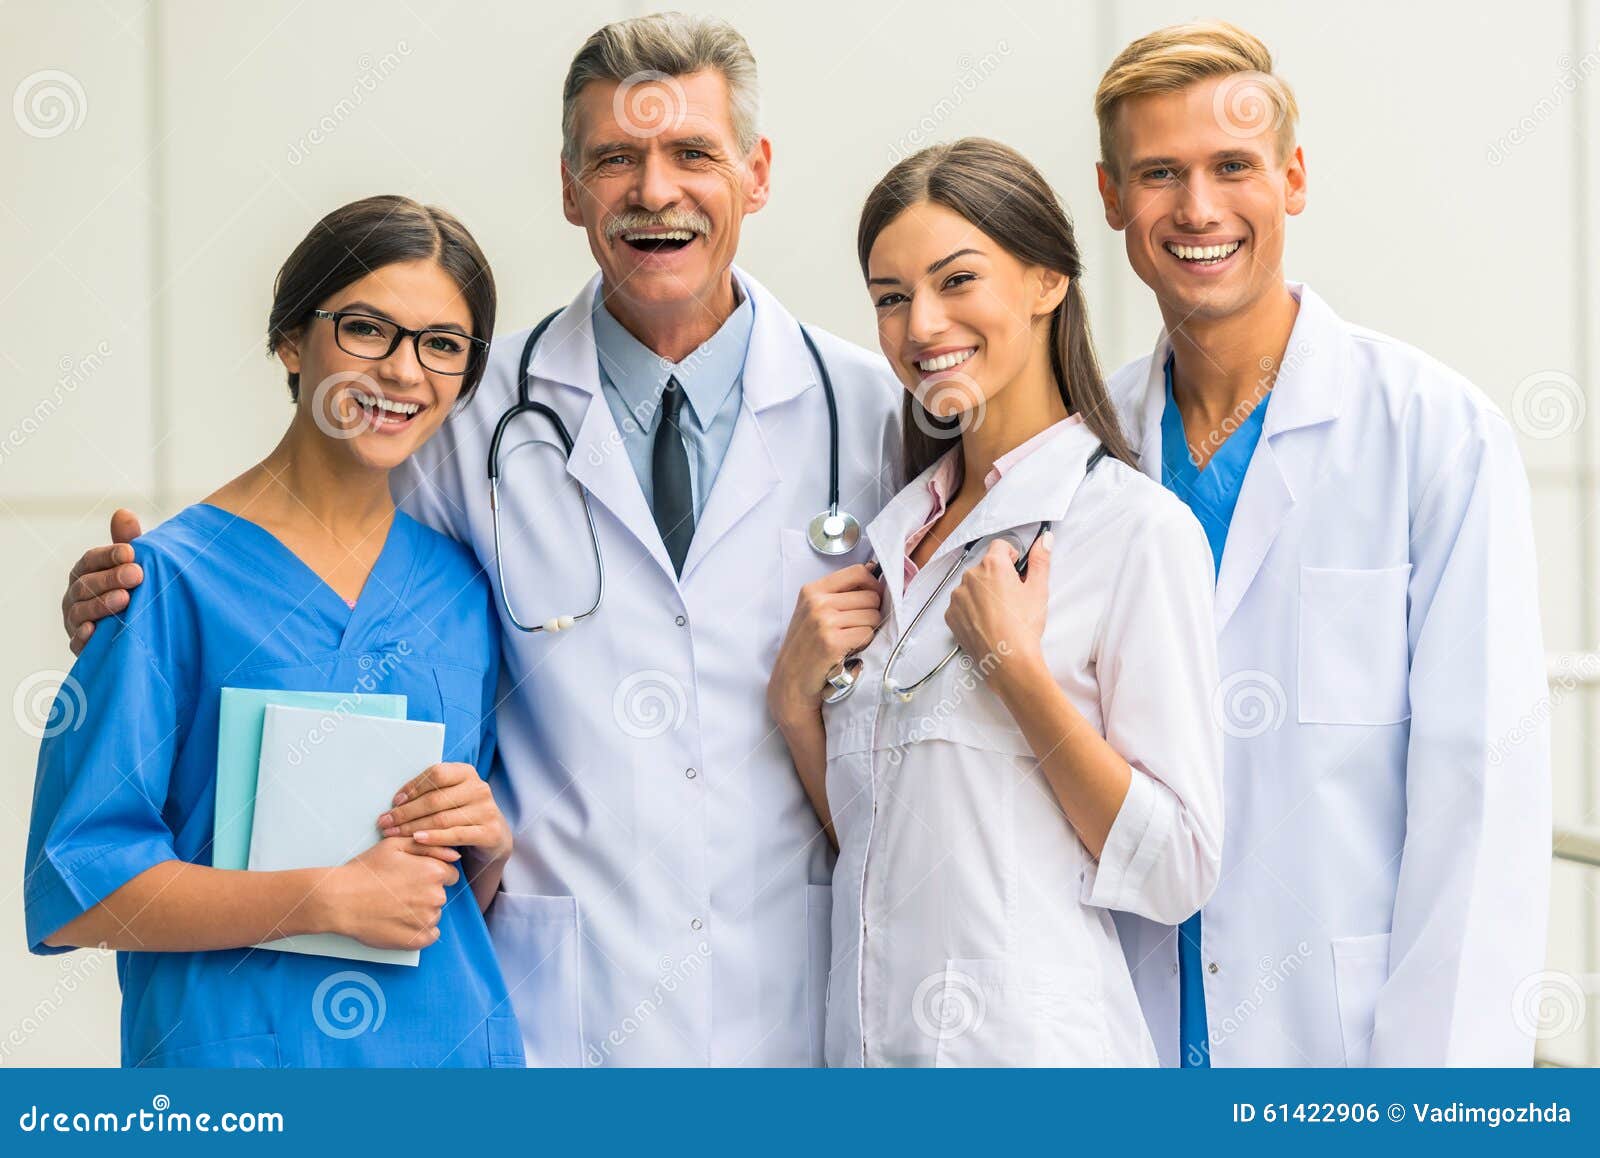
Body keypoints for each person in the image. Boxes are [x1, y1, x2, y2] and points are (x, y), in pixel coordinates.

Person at [59, 13, 901, 1066]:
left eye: (693, 152)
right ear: (567, 186)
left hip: (796, 990)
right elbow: (296, 547)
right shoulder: (471, 409)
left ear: (757, 171)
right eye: (614, 160)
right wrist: (133, 596)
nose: (654, 190)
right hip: (558, 1013)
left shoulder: (872, 413)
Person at [1094, 21, 1550, 1066]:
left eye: (1231, 167)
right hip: (1126, 1040)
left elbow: (1479, 801)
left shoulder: (1435, 435)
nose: (1197, 209)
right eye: (1159, 173)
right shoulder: (1091, 450)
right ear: (1113, 197)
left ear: (1291, 178)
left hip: (1342, 1053)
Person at [27, 195, 524, 1068]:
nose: (406, 373)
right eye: (368, 330)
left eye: (443, 345)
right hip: (240, 1069)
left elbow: (441, 893)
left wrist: (488, 842)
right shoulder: (163, 581)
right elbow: (78, 884)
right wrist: (322, 900)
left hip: (451, 1058)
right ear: (292, 339)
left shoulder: (462, 588)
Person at [766, 138, 1224, 1066]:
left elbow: (1177, 864)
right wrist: (793, 708)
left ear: (1048, 279)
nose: (920, 324)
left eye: (955, 280)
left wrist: (1018, 675)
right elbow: (877, 840)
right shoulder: (894, 538)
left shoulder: (1130, 529)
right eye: (890, 298)